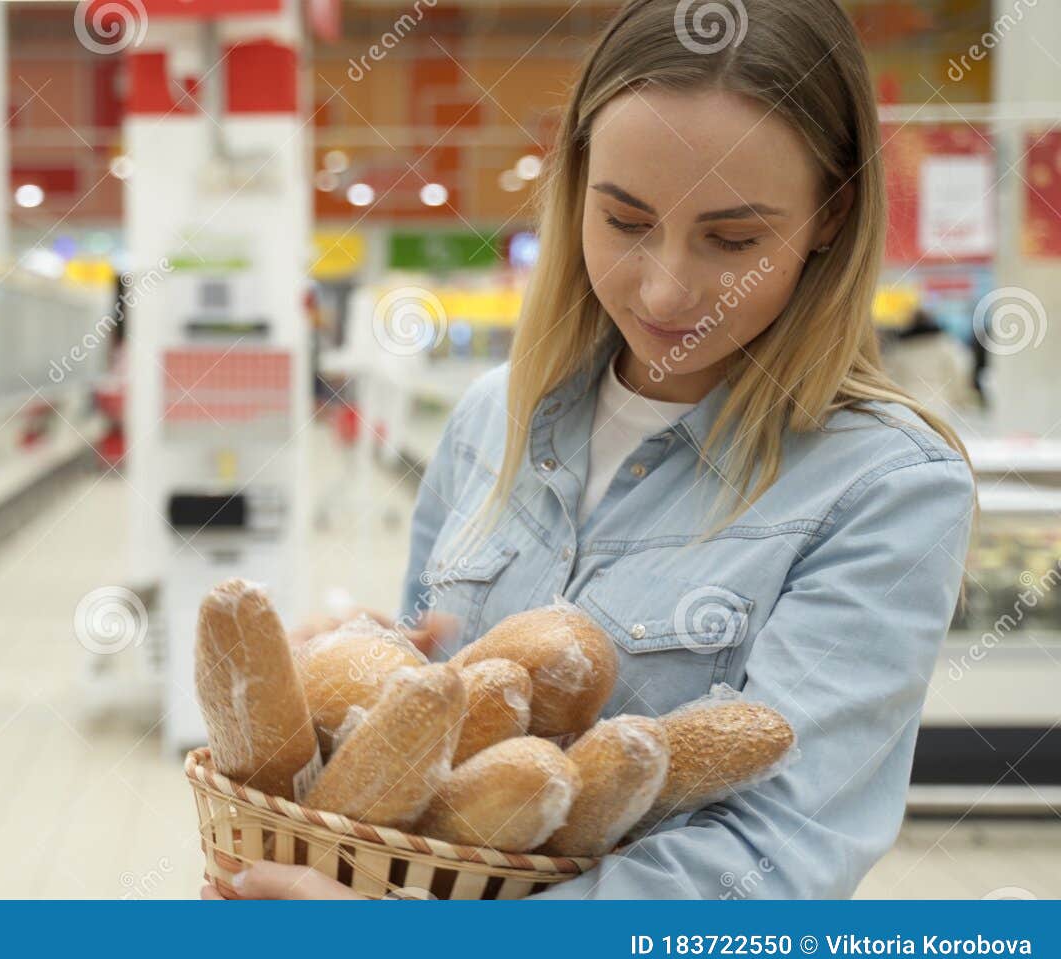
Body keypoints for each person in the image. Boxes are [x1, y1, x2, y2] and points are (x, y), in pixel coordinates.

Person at [203, 0, 974, 900]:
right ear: (574, 188)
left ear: (832, 215)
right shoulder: (493, 418)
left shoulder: (887, 490)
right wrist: (331, 708)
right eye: (624, 221)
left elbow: (769, 862)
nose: (666, 286)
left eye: (734, 238)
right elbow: (427, 749)